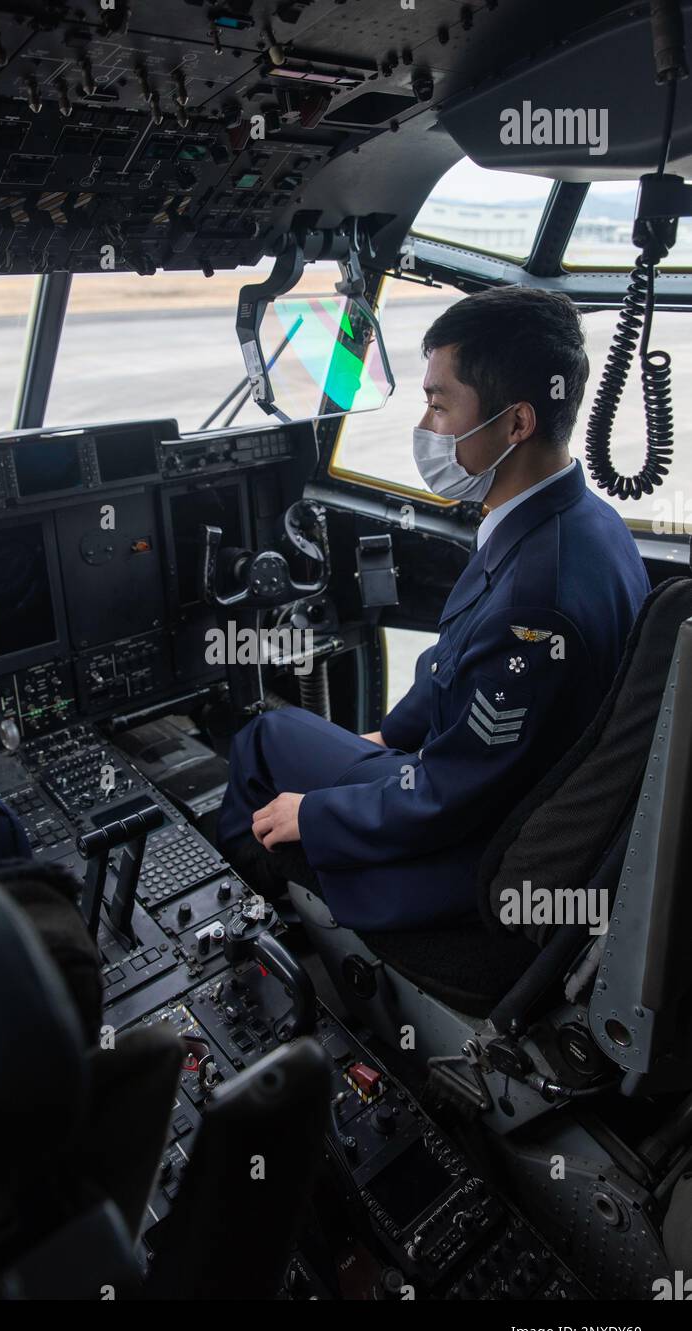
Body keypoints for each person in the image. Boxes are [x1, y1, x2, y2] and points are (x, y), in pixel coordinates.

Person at [216, 286, 650, 933]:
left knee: (265, 737)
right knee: (303, 741)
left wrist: (316, 815)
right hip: (515, 796)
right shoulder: (576, 522)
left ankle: (241, 921)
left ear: (517, 424)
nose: (426, 429)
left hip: (480, 857)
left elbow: (453, 796)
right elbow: (460, 665)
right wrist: (390, 735)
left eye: (439, 405)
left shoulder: (536, 605)